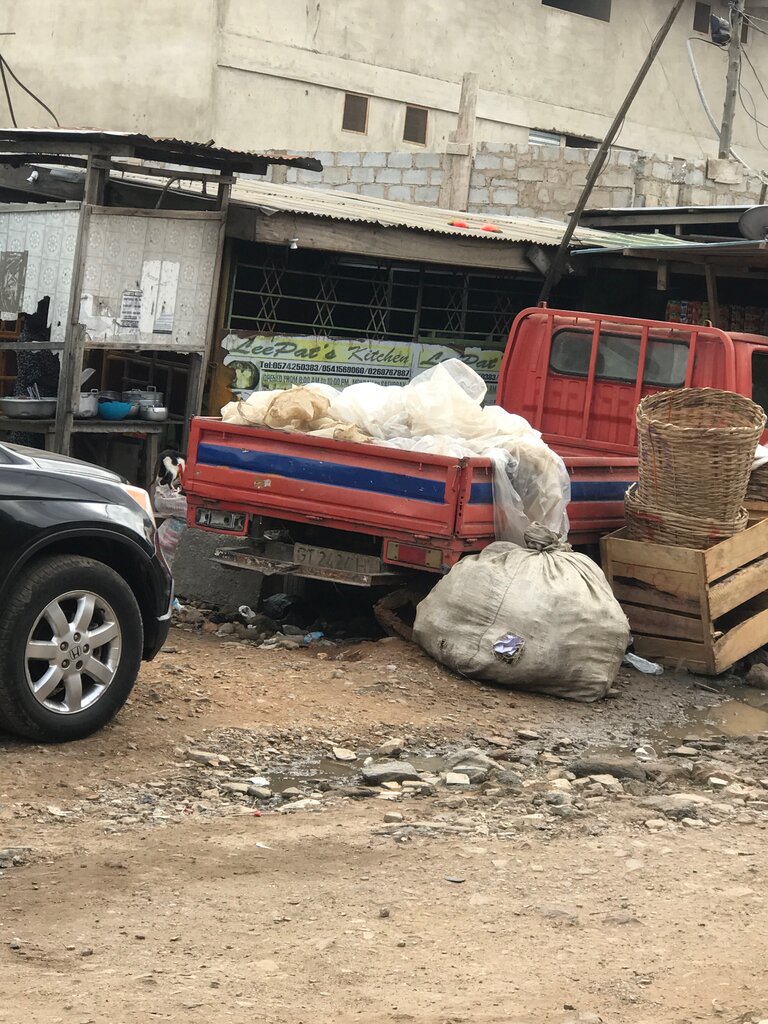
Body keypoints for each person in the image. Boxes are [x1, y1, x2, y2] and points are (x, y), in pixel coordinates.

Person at [11, 296, 59, 448]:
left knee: (45, 445)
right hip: (29, 399)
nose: (43, 318)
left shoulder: (47, 336)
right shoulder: (25, 339)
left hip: (48, 402)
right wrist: (61, 384)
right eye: (40, 314)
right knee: (26, 445)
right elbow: (34, 376)